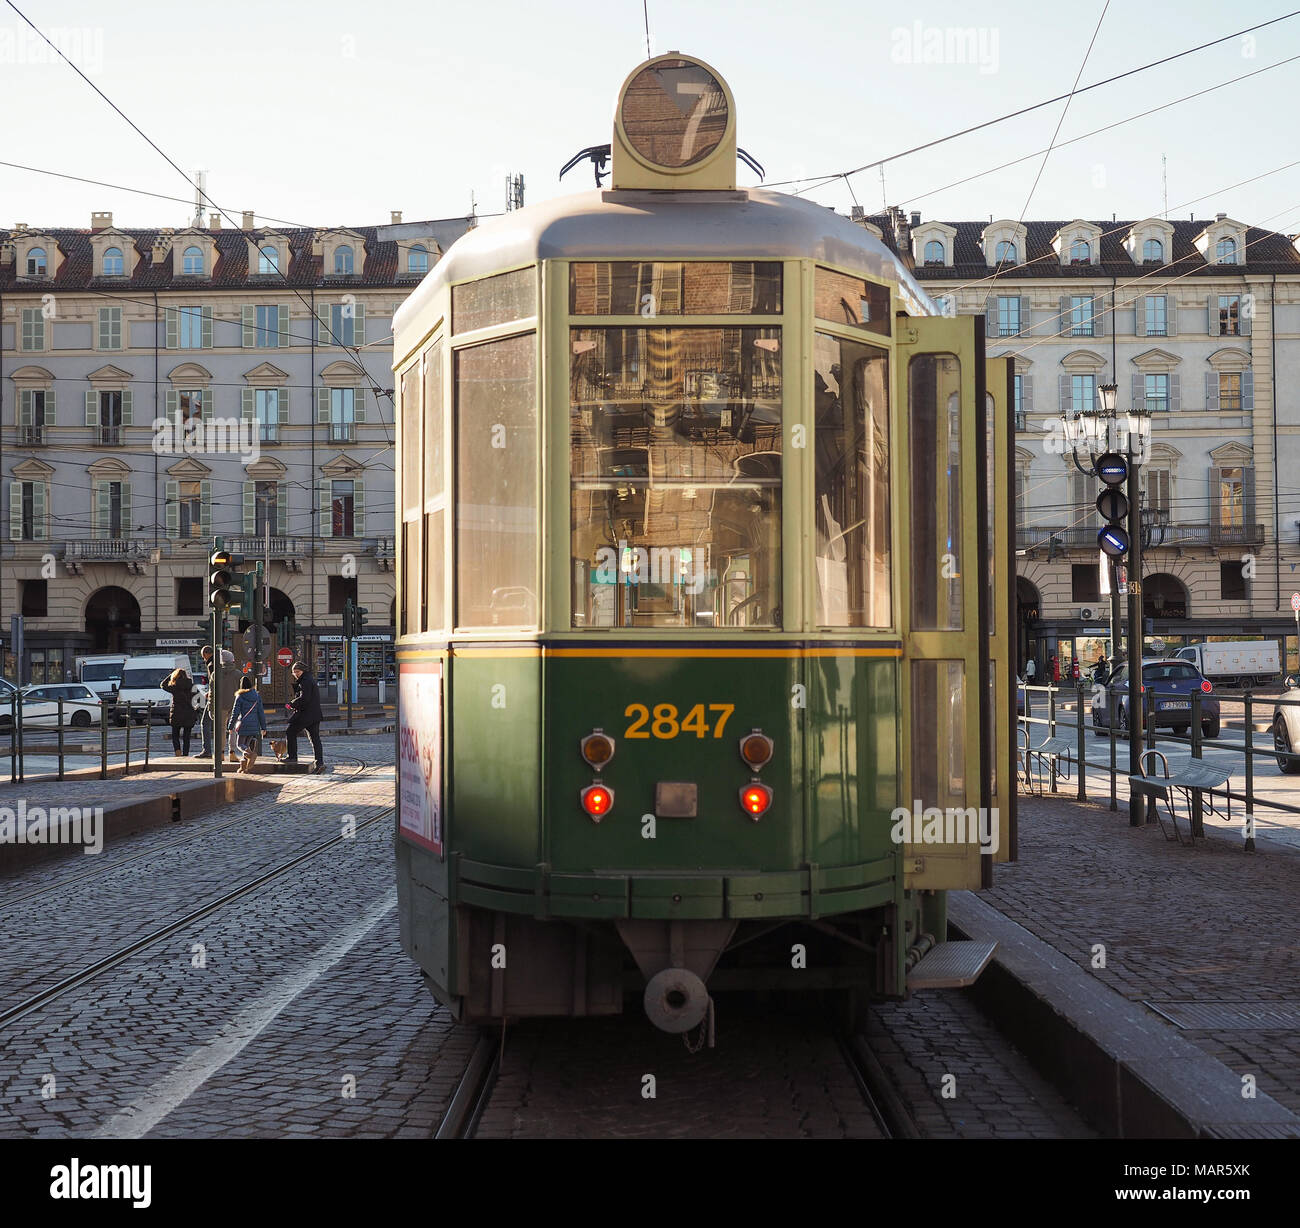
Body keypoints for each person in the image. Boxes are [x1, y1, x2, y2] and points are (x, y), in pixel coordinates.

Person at [285, 661, 325, 774]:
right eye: (294, 672)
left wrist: (291, 703)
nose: (296, 674)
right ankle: (319, 763)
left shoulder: (305, 681)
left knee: (290, 732)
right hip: (314, 715)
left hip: (305, 715)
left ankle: (292, 756)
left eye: (297, 671)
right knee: (315, 739)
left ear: (303, 671)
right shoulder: (309, 679)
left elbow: (304, 698)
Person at [198, 646, 236, 759]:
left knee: (209, 724)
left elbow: (213, 687)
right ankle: (232, 752)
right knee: (231, 727)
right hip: (232, 701)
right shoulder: (235, 671)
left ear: (206, 654)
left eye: (202, 656)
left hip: (218, 700)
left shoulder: (212, 666)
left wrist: (210, 704)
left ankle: (212, 751)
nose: (203, 658)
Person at [227, 674, 268, 773]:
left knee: (240, 745)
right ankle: (244, 768)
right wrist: (263, 727)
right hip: (254, 725)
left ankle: (251, 755)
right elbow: (261, 712)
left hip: (244, 724)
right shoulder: (257, 696)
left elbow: (235, 712)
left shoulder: (240, 697)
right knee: (246, 745)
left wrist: (230, 726)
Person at [160, 667, 198, 756]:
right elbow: (201, 700)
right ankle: (185, 754)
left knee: (175, 735)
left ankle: (177, 752)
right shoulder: (192, 686)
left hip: (176, 714)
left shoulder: (174, 687)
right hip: (189, 713)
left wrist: (171, 675)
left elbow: (162, 685)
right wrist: (195, 709)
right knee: (186, 737)